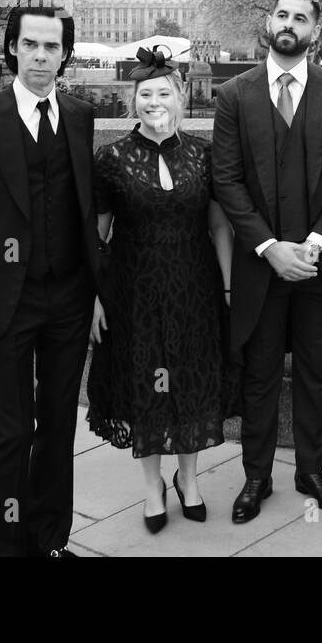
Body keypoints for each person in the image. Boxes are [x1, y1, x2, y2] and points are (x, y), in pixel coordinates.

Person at [0, 6, 98, 557]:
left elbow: (82, 209)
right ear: (11, 49)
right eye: (29, 45)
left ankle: (51, 541)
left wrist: (96, 294)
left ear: (65, 56)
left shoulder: (79, 116)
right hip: (4, 303)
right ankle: (4, 550)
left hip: (70, 301)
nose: (40, 57)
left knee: (58, 429)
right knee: (13, 431)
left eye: (51, 48)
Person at [212, 0, 322, 523]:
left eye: (300, 18)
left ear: (314, 32)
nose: (289, 23)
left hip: (320, 268)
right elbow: (226, 182)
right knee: (258, 374)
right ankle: (256, 476)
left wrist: (316, 244)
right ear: (269, 21)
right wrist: (271, 247)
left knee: (316, 371)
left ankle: (311, 470)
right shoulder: (234, 95)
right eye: (281, 14)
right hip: (261, 266)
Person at [86, 47, 234, 533]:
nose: (154, 101)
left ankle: (189, 481)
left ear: (180, 96)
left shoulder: (204, 154)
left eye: (163, 92)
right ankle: (153, 489)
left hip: (195, 289)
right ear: (134, 100)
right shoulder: (111, 159)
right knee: (145, 387)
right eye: (144, 93)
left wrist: (229, 288)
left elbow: (218, 227)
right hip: (135, 293)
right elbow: (97, 237)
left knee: (189, 381)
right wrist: (94, 298)